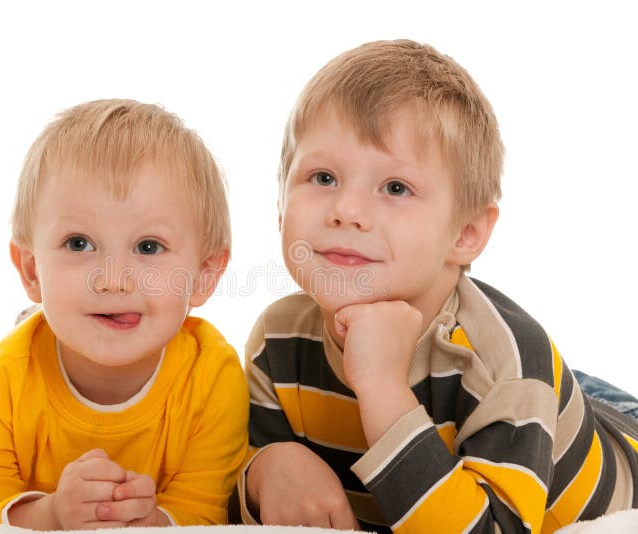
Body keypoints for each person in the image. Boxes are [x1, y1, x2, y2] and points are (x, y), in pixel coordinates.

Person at [235, 40, 638, 533]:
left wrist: (382, 387)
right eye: (322, 177)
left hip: (610, 438)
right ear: (279, 202)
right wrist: (266, 471)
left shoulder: (504, 365)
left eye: (395, 188)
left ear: (466, 233)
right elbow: (234, 497)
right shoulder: (278, 342)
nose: (347, 210)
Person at [0, 99, 249, 529]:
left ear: (203, 276)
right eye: (79, 243)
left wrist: (153, 519)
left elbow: (205, 506)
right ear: (31, 270)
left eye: (148, 247)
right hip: (13, 392)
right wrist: (51, 513)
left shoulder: (212, 377)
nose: (112, 280)